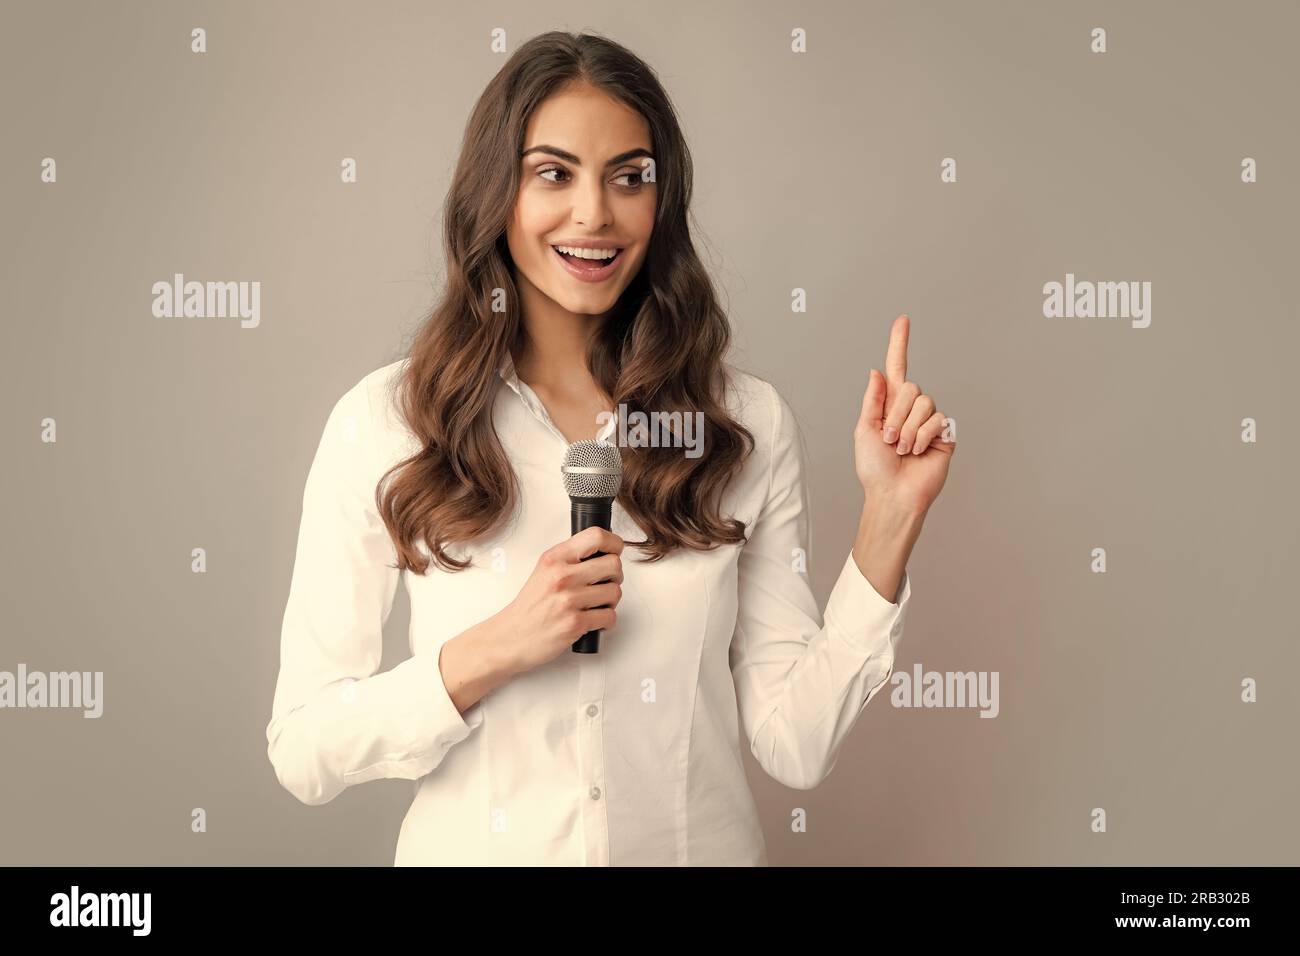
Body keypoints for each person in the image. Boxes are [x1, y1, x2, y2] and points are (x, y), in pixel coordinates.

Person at [266, 30, 954, 866]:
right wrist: (495, 647)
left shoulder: (742, 426)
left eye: (629, 177)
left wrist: (888, 520)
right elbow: (304, 749)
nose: (594, 213)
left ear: (661, 201)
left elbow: (794, 746)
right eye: (552, 173)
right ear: (497, 193)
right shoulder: (388, 424)